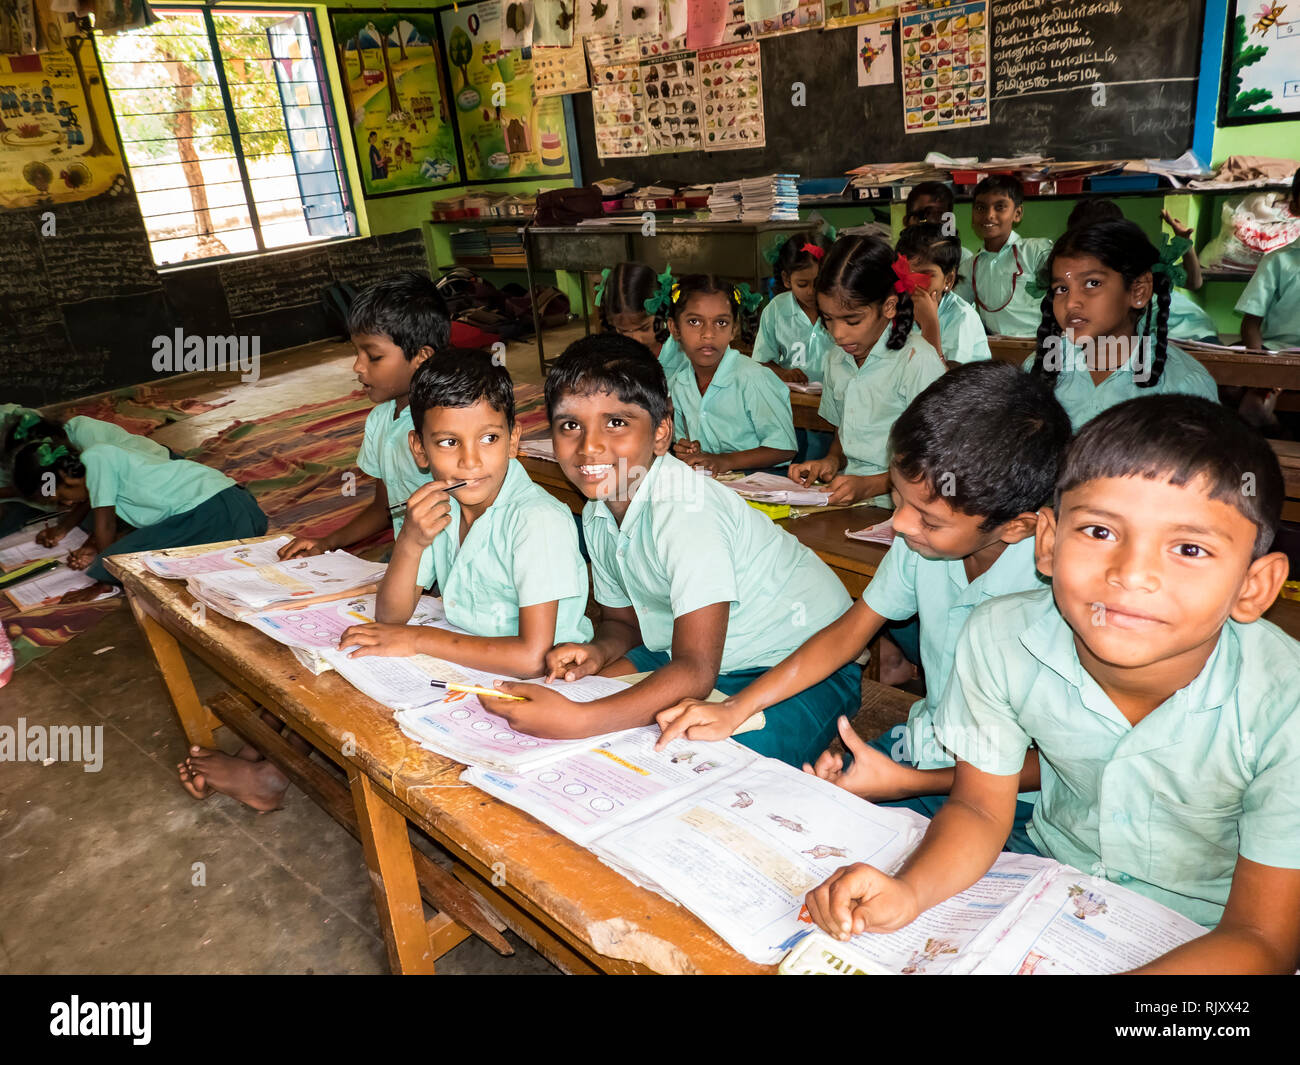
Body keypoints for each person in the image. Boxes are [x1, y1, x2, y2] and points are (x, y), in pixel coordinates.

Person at [805, 395, 1300, 974]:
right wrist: (910, 891)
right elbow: (982, 810)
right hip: (1050, 877)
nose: (1131, 574)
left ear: (1254, 587)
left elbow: (1263, 939)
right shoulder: (999, 636)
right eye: (1098, 530)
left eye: (1189, 549)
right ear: (1047, 541)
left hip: (1212, 936)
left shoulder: (1283, 704)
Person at [660, 361, 1071, 852]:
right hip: (923, 754)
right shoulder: (922, 546)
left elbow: (1059, 766)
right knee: (779, 830)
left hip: (1020, 807)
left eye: (928, 518)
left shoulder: (1063, 595)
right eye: (897, 497)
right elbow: (848, 633)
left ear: (1018, 526)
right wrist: (734, 708)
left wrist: (902, 783)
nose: (899, 523)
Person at [478, 333, 858, 768]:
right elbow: (623, 623)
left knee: (708, 765)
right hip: (686, 653)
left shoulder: (684, 508)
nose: (589, 446)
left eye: (616, 422)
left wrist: (578, 720)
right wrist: (600, 650)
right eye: (570, 425)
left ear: (661, 433)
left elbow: (697, 671)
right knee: (580, 699)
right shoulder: (598, 513)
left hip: (800, 666)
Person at [338, 349, 592, 676]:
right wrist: (410, 543)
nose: (470, 462)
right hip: (469, 662)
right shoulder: (441, 507)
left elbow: (533, 657)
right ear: (420, 449)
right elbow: (390, 618)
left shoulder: (537, 520)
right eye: (448, 442)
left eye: (489, 438)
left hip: (545, 680)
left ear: (513, 440)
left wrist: (418, 638)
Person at [279, 272, 449, 558]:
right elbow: (385, 510)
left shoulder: (449, 423)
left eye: (373, 356)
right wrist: (326, 543)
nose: (357, 366)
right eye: (357, 352)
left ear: (422, 358)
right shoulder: (381, 420)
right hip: (412, 553)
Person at [10, 435, 266, 602]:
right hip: (216, 505)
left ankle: (107, 584)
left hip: (216, 513)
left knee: (118, 560)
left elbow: (107, 524)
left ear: (65, 477)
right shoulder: (93, 464)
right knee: (99, 533)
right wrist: (91, 545)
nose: (66, 504)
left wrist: (102, 574)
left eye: (60, 497)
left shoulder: (97, 458)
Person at [788, 235, 945, 506]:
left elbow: (937, 460)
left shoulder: (916, 361)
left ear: (889, 306)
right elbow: (844, 428)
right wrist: (832, 460)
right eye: (827, 319)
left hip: (906, 507)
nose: (838, 334)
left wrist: (870, 486)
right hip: (850, 499)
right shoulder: (837, 358)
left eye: (852, 320)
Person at [1026, 219, 1219, 430]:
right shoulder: (1038, 367)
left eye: (1092, 283)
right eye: (1062, 288)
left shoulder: (1183, 383)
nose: (1071, 302)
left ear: (1139, 291)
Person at [665, 274, 796, 475]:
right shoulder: (680, 384)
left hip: (761, 486)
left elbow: (784, 448)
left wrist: (725, 460)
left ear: (734, 329)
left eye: (721, 323)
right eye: (694, 322)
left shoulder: (753, 378)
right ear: (674, 328)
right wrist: (688, 449)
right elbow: (688, 443)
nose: (708, 334)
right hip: (715, 487)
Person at [967, 175, 1053, 338]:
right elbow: (954, 307)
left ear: (1018, 213)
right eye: (980, 208)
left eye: (1000, 207)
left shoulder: (1036, 250)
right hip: (998, 350)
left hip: (1040, 345)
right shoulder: (970, 266)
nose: (989, 215)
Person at [895, 222, 990, 365]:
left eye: (925, 274)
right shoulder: (895, 308)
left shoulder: (961, 317)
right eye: (904, 273)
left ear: (948, 280)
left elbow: (942, 380)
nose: (913, 283)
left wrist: (929, 323)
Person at [751, 230, 834, 384]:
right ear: (787, 279)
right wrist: (783, 373)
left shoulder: (841, 307)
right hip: (795, 399)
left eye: (818, 282)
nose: (811, 291)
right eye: (802, 284)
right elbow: (761, 362)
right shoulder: (776, 309)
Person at [1236, 168, 1300, 352]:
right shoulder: (1276, 261)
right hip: (1279, 354)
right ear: (1294, 206)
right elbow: (1250, 325)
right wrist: (1262, 368)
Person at [595, 261, 685, 378]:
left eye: (644, 328)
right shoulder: (612, 355)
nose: (636, 340)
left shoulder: (684, 351)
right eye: (623, 331)